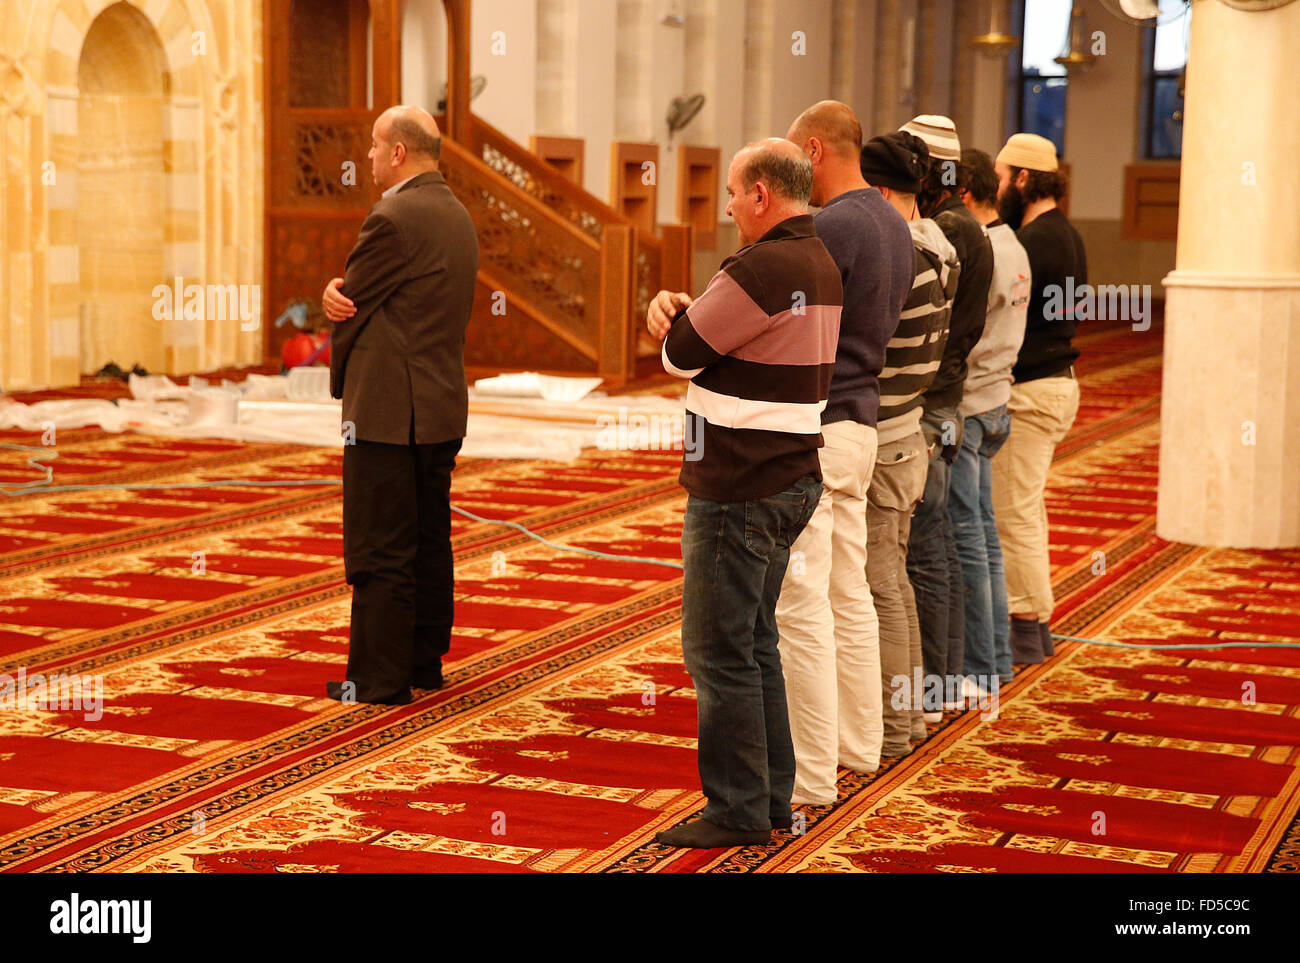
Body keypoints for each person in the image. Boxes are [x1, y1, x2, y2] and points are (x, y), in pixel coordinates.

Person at [645, 138, 841, 848]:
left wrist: (667, 317)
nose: (728, 206)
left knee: (718, 649)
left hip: (738, 483)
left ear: (762, 194)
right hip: (790, 474)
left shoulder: (763, 265)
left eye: (733, 192)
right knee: (756, 643)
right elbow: (729, 334)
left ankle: (735, 809)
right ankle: (767, 795)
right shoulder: (818, 260)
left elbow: (679, 352)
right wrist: (694, 313)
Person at [776, 102, 915, 806]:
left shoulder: (832, 225)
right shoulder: (897, 224)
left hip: (822, 421)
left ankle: (811, 769)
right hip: (867, 420)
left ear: (812, 148)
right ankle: (859, 743)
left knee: (802, 599)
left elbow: (787, 319)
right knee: (849, 589)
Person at [320, 105, 479, 705]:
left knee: (382, 542)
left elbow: (353, 302)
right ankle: (422, 660)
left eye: (373, 146)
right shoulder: (457, 214)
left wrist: (334, 297)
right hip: (438, 406)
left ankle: (379, 677)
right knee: (429, 536)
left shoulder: (393, 217)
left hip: (390, 414)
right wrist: (344, 297)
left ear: (398, 154)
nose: (366, 157)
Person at [859, 131, 960, 756]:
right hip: (909, 429)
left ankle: (898, 727)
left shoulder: (902, 251)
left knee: (882, 585)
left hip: (888, 433)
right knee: (892, 581)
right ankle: (908, 720)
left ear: (876, 190)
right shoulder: (939, 243)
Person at [899, 115, 994, 714]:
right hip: (946, 402)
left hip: (930, 407)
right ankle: (945, 681)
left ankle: (933, 686)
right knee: (939, 548)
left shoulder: (945, 232)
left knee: (924, 553)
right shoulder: (963, 226)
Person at [990, 133, 1087, 664]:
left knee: (1013, 513)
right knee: (1025, 508)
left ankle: (1025, 627)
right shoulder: (1062, 233)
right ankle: (1035, 623)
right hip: (1055, 386)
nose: (999, 187)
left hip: (1033, 393)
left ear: (1023, 179)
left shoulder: (1033, 241)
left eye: (1003, 177)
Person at [951, 147, 1030, 690]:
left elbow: (967, 337)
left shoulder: (986, 251)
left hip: (973, 406)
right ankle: (994, 657)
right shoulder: (1013, 244)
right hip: (997, 399)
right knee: (984, 536)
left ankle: (981, 666)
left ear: (962, 193)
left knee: (967, 542)